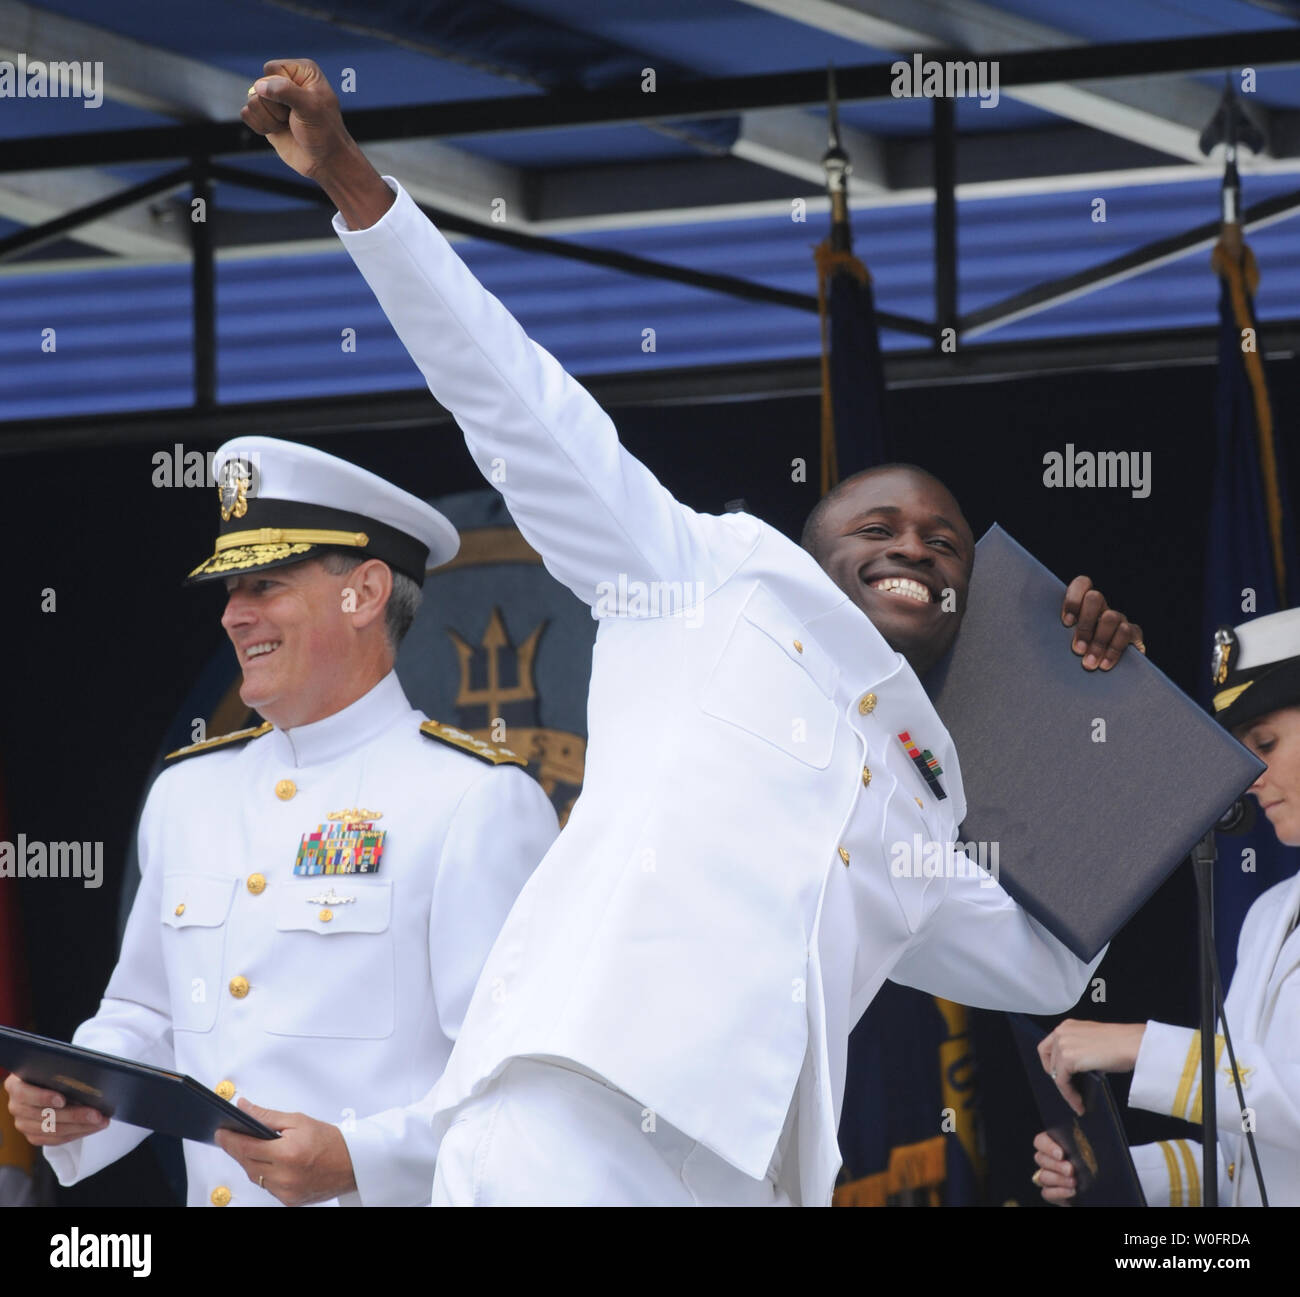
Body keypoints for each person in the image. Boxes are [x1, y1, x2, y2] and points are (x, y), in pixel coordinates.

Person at [242, 58, 1144, 1207]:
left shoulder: (926, 801)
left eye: (944, 541)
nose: (915, 546)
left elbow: (1051, 956)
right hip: (573, 1121)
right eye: (879, 524)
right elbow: (514, 401)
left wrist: (1097, 712)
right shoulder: (698, 575)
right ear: (811, 548)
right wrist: (356, 186)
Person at [3, 437, 559, 1207]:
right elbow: (149, 1014)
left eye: (265, 583)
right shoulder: (187, 795)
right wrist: (74, 1098)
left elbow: (526, 1089)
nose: (234, 615)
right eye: (230, 588)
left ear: (364, 592)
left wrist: (359, 1160)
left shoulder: (476, 802)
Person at [1033, 608, 1300, 1208]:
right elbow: (1249, 1159)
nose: (1251, 776)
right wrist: (1105, 1170)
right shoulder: (1269, 913)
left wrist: (1136, 1045)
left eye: (1265, 743)